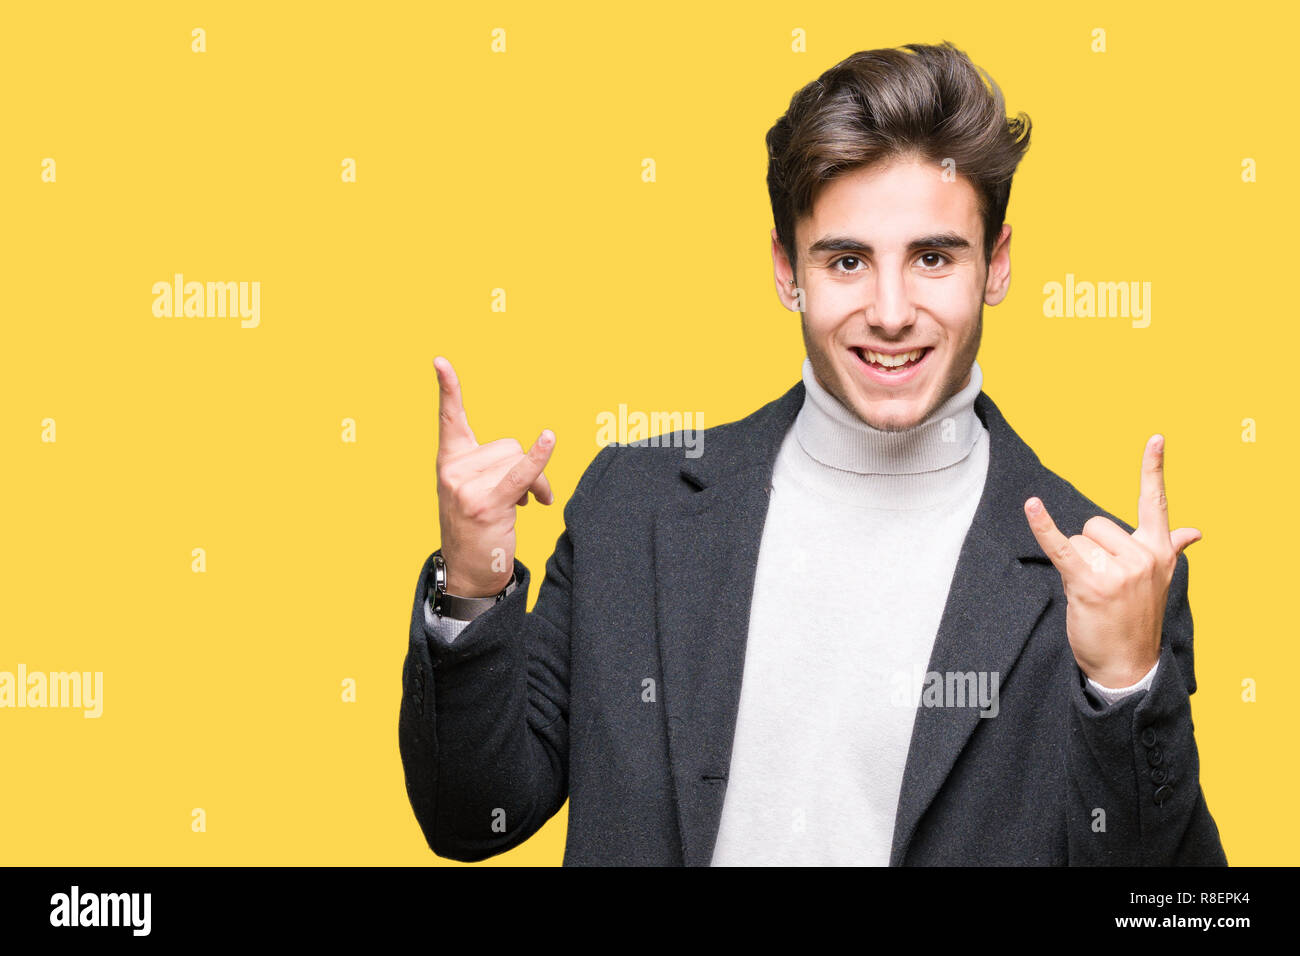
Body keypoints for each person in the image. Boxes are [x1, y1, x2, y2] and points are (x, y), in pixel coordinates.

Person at [398, 41, 1226, 866]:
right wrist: (472, 587)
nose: (891, 310)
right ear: (787, 269)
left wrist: (1125, 687)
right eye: (847, 261)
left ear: (996, 265)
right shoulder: (631, 506)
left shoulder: (1108, 578)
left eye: (933, 257)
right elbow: (476, 817)